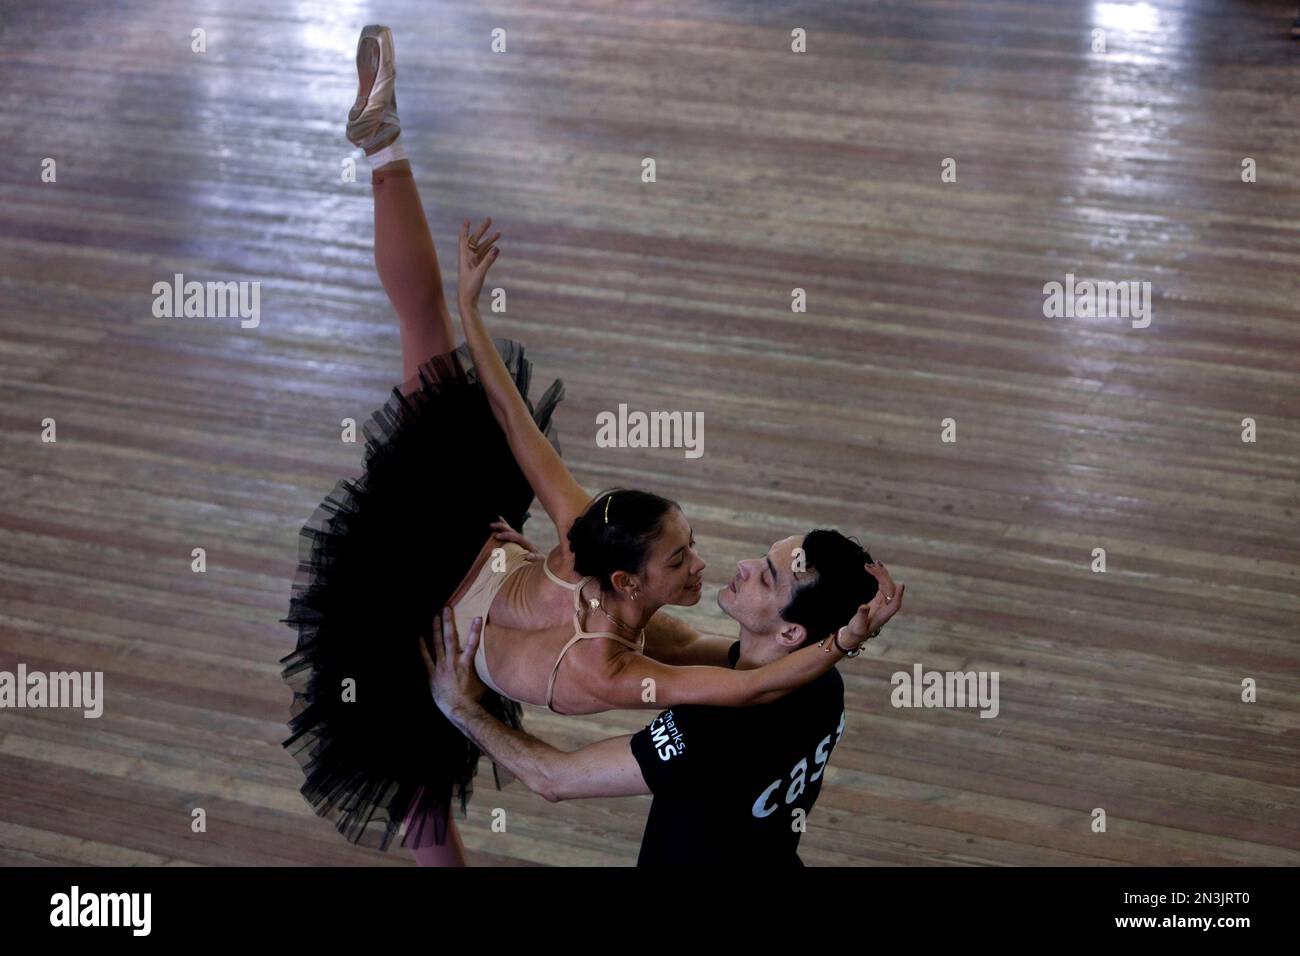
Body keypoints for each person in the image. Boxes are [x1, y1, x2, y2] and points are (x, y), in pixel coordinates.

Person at [279, 24, 903, 865]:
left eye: (695, 556)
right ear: (623, 577)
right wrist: (847, 640)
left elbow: (516, 428)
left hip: (446, 543)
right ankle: (384, 145)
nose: (708, 565)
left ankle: (386, 150)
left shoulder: (586, 540)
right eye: (682, 556)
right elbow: (750, 683)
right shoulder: (607, 669)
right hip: (419, 601)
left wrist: (471, 313)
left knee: (420, 332)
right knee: (422, 797)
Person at [420, 530, 904, 865]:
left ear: (793, 632)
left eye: (766, 577)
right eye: (763, 557)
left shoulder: (711, 731)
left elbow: (553, 778)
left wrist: (459, 706)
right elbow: (682, 646)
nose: (744, 565)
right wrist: (556, 592)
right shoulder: (821, 685)